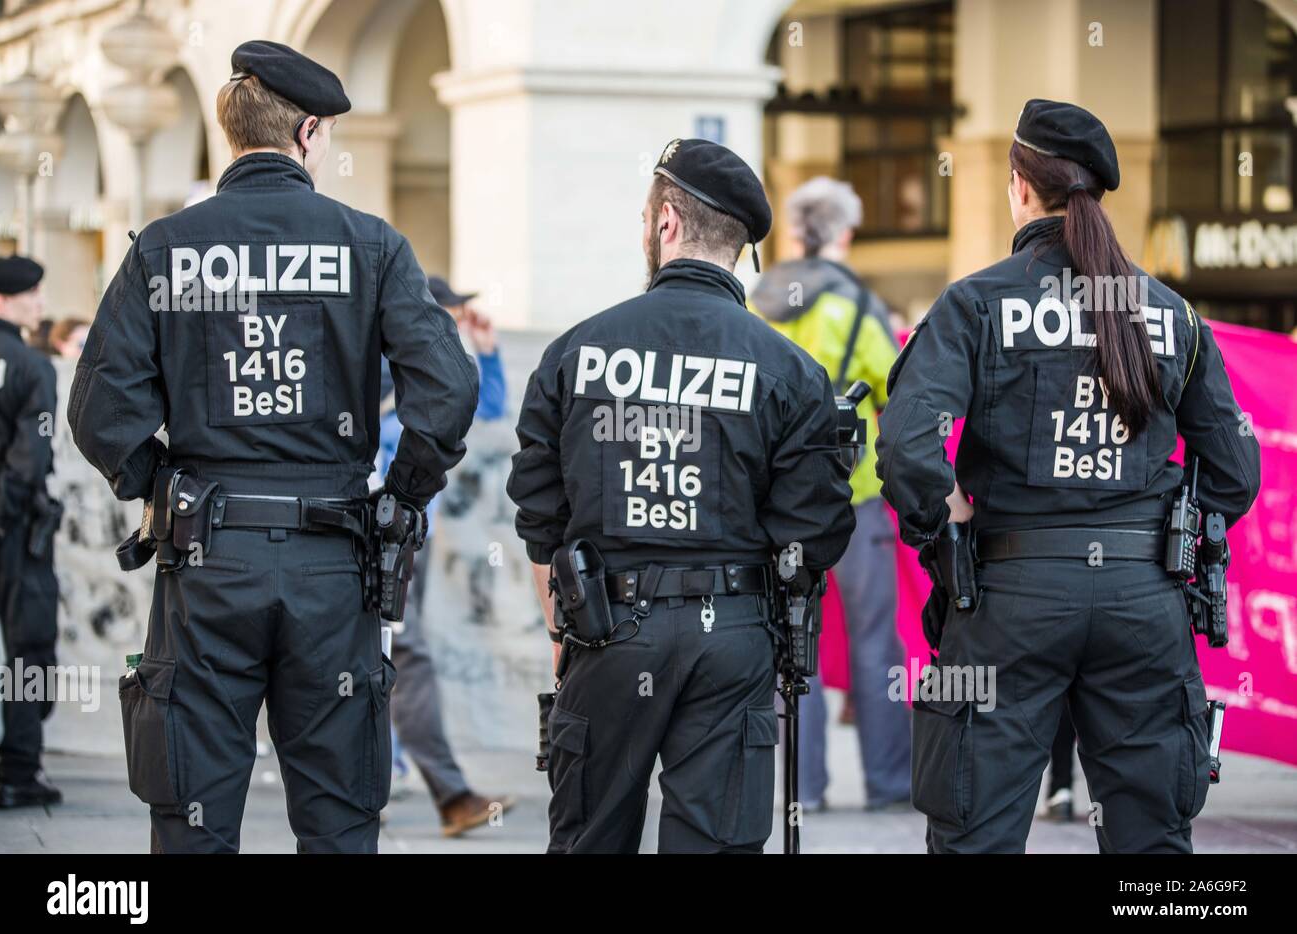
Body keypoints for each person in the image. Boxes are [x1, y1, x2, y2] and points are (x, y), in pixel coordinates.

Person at [68, 40, 478, 853]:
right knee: (337, 817)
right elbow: (448, 390)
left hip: (207, 558)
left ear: (233, 135)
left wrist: (161, 485)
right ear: (310, 133)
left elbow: (98, 407)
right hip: (332, 560)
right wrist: (400, 496)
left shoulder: (165, 246)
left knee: (191, 812)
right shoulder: (369, 245)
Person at [876, 99, 1261, 854]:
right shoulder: (1171, 312)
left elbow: (906, 448)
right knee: (1153, 845)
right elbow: (1234, 471)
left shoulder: (977, 302)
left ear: (1021, 185)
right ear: (1099, 194)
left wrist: (948, 532)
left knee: (975, 835)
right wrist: (1173, 532)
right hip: (1143, 599)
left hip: (1009, 600)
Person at [508, 138, 856, 853]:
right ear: (739, 246)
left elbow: (540, 513)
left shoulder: (577, 352)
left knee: (589, 838)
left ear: (666, 222)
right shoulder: (787, 368)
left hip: (606, 628)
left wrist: (560, 631)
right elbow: (815, 530)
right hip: (731, 634)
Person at [750, 176, 909, 812]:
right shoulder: (857, 309)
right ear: (844, 234)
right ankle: (889, 784)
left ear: (794, 233)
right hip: (857, 499)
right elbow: (897, 395)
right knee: (876, 642)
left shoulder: (760, 303)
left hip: (778, 506)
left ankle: (803, 791)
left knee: (793, 640)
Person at [378, 277, 513, 837]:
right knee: (401, 658)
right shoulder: (403, 366)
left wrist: (488, 355)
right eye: (455, 310)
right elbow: (473, 413)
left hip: (401, 528)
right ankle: (423, 788)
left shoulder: (407, 358)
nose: (462, 319)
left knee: (393, 655)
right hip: (387, 525)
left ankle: (404, 785)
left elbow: (490, 413)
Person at [0, 257, 63, 809]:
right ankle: (18, 770)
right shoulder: (30, 367)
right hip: (16, 534)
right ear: (3, 301)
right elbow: (29, 458)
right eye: (30, 295)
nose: (40, 303)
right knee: (28, 653)